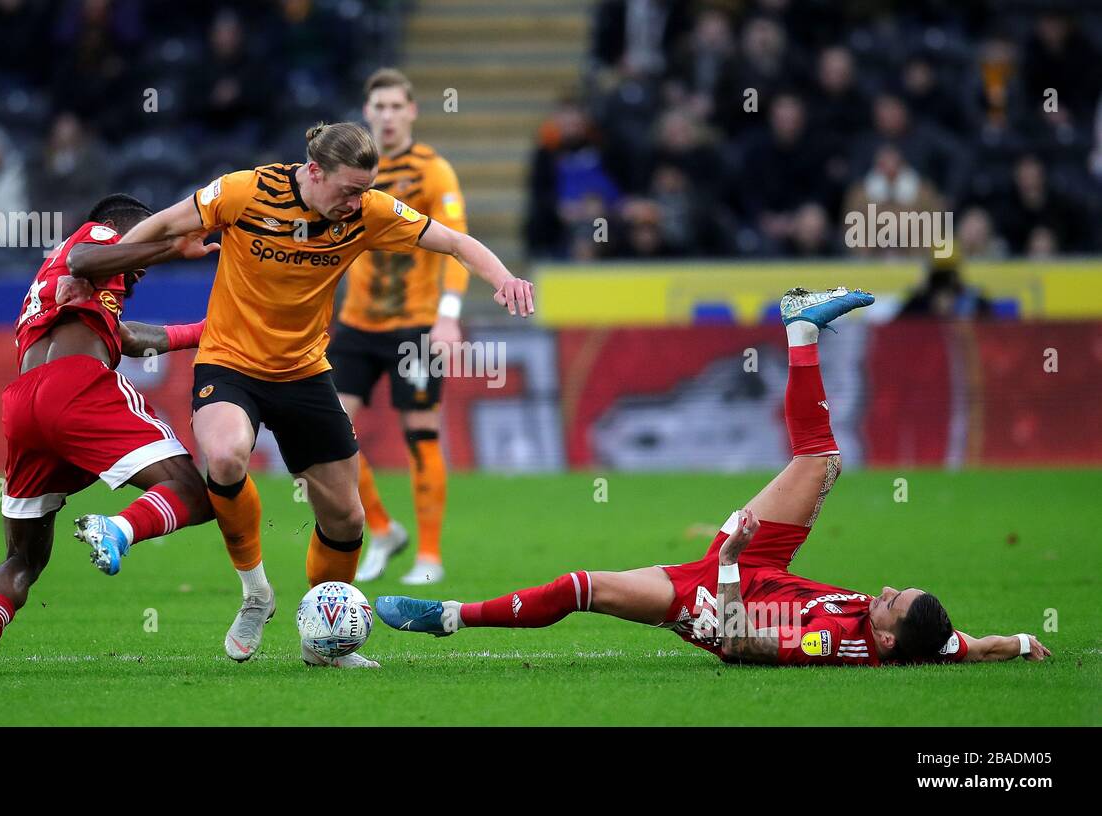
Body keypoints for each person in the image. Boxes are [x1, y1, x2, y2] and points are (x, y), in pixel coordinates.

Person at [378, 287, 1052, 667]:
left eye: (890, 602)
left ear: (879, 639)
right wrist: (1020, 644)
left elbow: (737, 641)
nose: (882, 589)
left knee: (582, 587)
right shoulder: (913, 640)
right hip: (763, 564)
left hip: (716, 600)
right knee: (821, 461)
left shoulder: (825, 643)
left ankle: (448, 616)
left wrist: (726, 563)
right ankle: (801, 330)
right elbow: (959, 645)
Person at [83, 122, 534, 668]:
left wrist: (503, 277)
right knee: (224, 456)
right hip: (229, 362)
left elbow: (455, 242)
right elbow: (159, 225)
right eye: (348, 189)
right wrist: (97, 280)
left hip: (304, 372)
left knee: (346, 519)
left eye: (365, 189)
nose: (356, 201)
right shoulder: (242, 192)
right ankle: (256, 594)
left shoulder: (369, 211)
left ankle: (324, 643)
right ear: (314, 171)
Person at [0, 194, 217, 675]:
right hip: (78, 388)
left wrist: (206, 331)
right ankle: (118, 529)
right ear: (125, 229)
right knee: (195, 492)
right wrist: (169, 244)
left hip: (24, 405)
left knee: (23, 557)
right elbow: (85, 257)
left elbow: (130, 338)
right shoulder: (99, 237)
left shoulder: (61, 286)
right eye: (142, 250)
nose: (140, 276)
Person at [330, 68, 467, 586]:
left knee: (421, 434)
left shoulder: (434, 171)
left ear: (412, 111)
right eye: (378, 107)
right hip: (358, 325)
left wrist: (448, 317)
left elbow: (457, 243)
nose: (387, 116)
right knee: (332, 432)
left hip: (416, 326)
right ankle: (383, 529)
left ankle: (429, 556)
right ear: (367, 113)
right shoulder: (346, 173)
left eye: (396, 107)